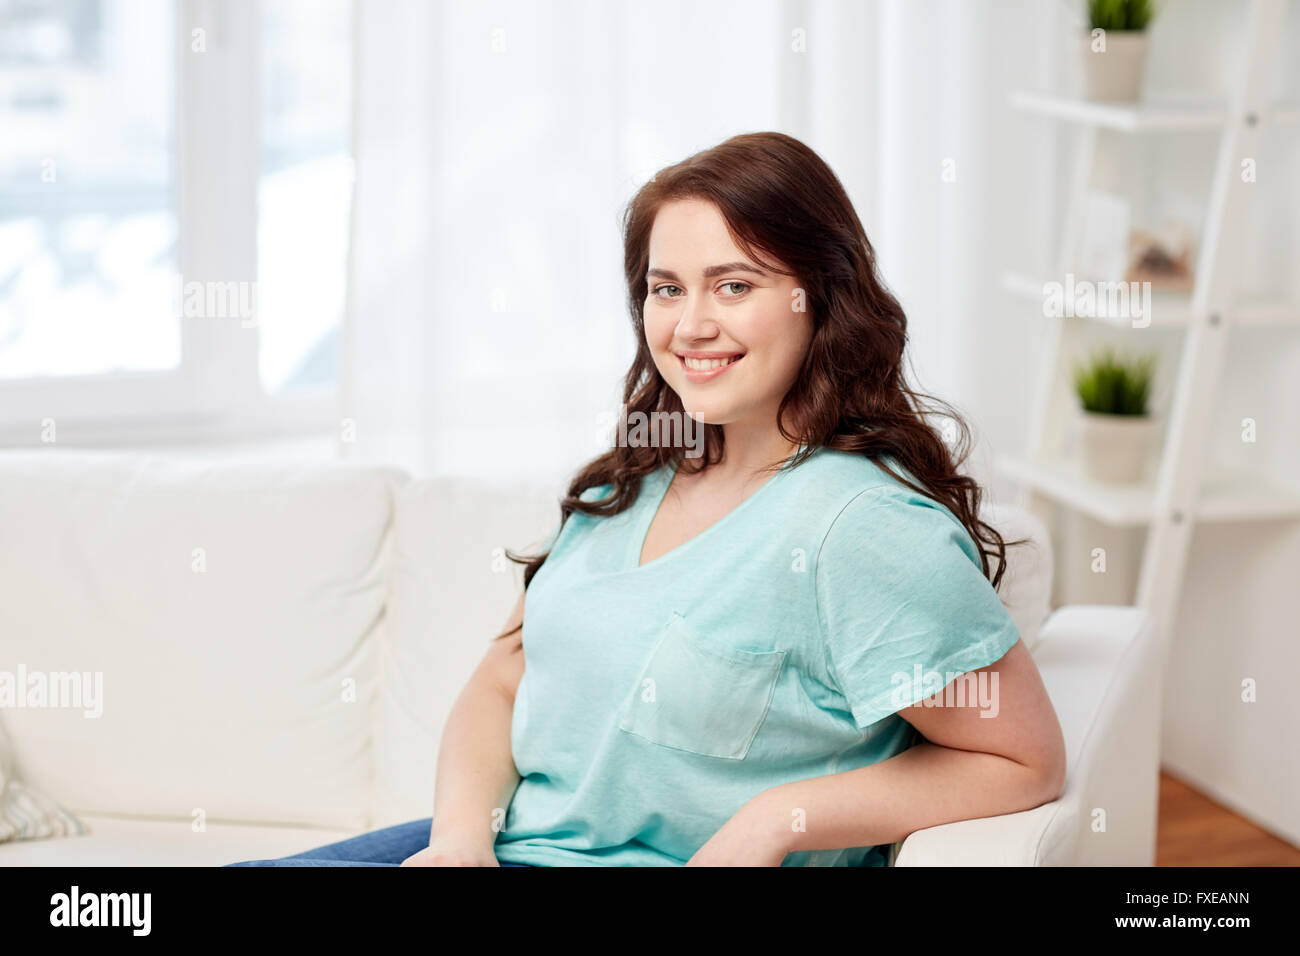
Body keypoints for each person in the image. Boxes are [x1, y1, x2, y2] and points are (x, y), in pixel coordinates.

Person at [227, 131, 1065, 868]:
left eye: (733, 286)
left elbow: (1022, 758)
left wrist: (774, 819)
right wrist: (457, 842)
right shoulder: (630, 476)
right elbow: (502, 680)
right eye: (667, 289)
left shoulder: (865, 528)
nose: (690, 325)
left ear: (822, 298)